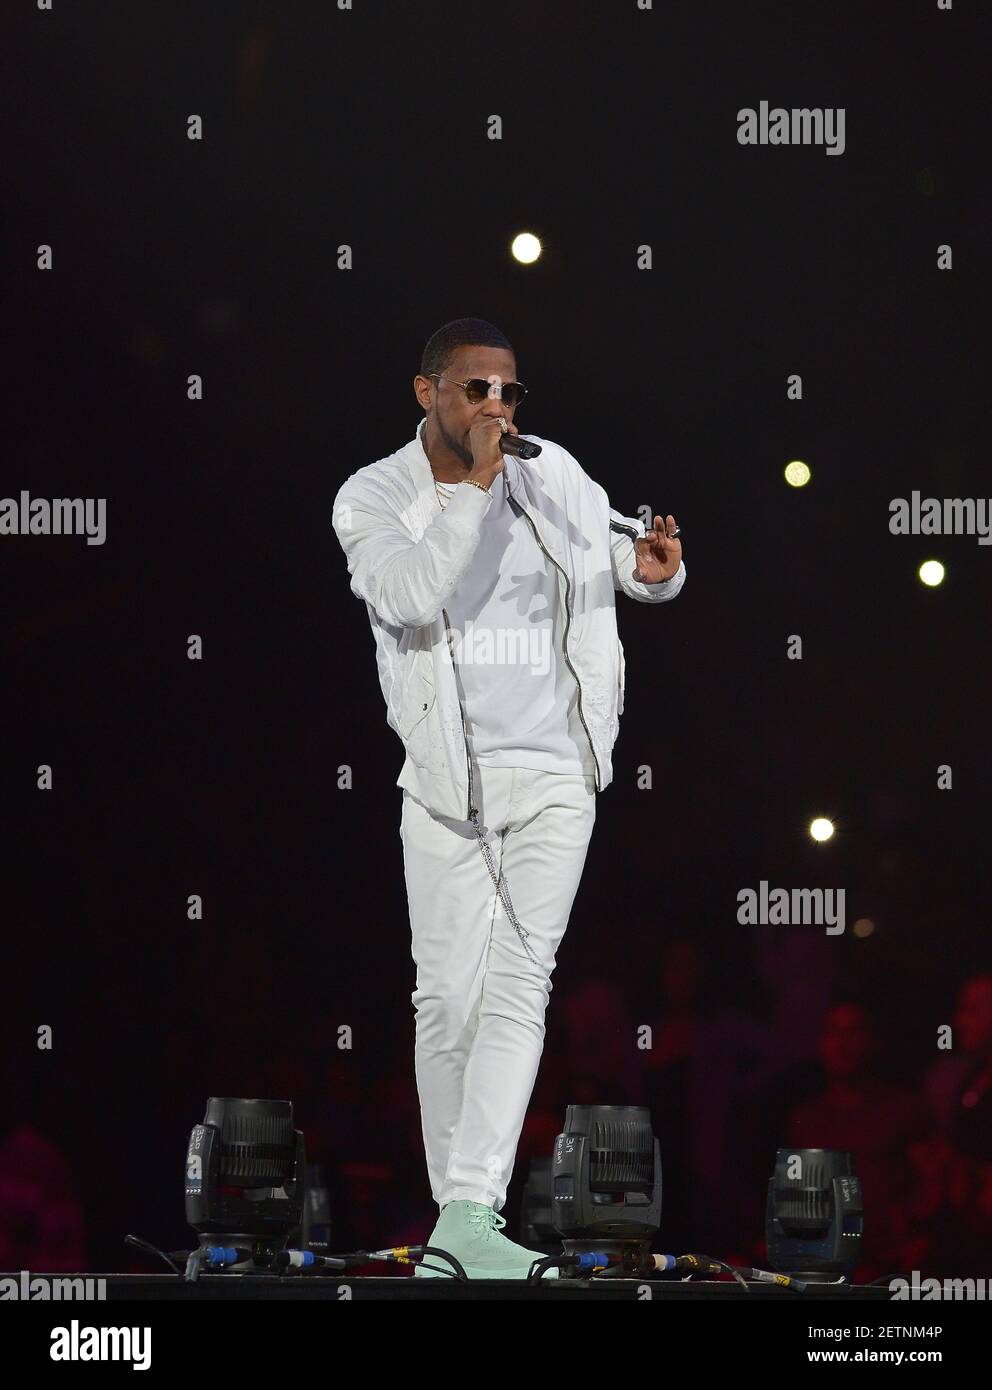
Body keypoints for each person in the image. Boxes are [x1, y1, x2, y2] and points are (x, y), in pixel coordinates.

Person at [331, 317, 686, 1277]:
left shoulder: (554, 471)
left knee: (519, 988)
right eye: (474, 390)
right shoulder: (375, 496)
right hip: (446, 785)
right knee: (445, 1000)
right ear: (426, 392)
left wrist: (656, 573)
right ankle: (462, 1226)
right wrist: (471, 492)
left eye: (509, 393)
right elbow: (406, 595)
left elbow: (614, 554)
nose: (496, 407)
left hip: (558, 775)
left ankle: (473, 1213)